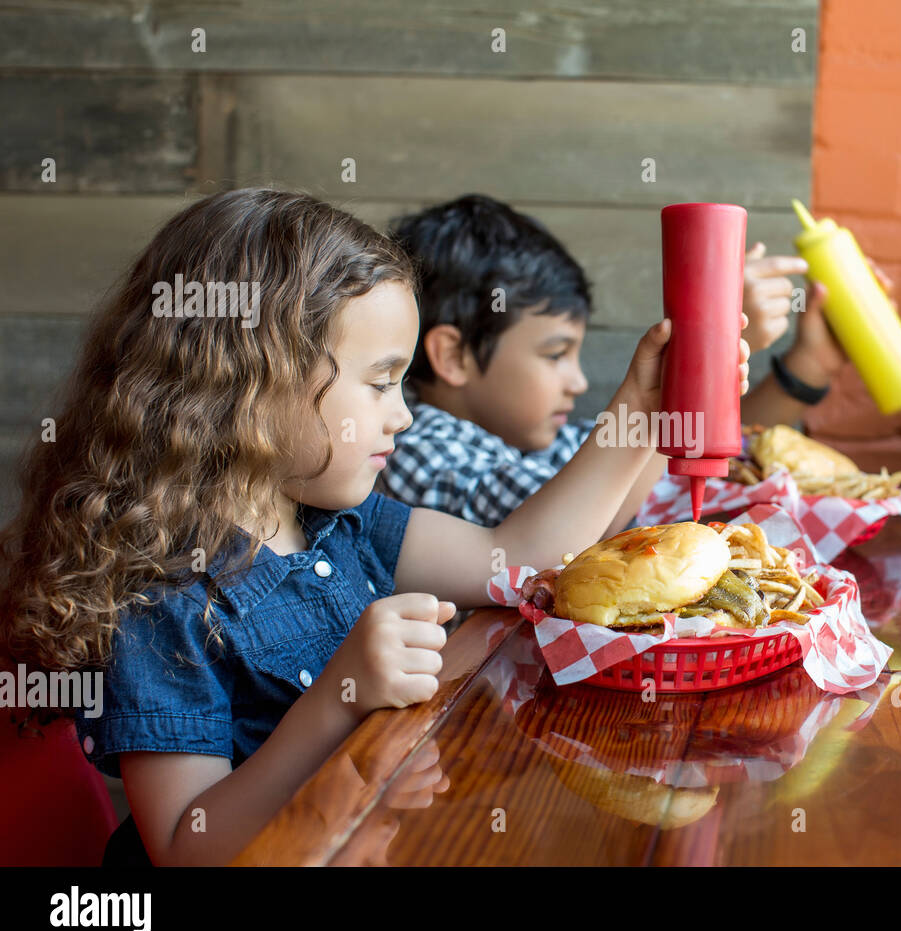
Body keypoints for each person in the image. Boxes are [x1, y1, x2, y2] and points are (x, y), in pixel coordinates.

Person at [0, 188, 748, 866]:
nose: (403, 413)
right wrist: (341, 696)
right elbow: (184, 844)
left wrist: (644, 411)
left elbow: (518, 557)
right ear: (252, 384)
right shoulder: (160, 595)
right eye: (380, 381)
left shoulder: (342, 521)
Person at [380, 195, 855, 526]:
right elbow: (575, 539)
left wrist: (802, 371)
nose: (579, 381)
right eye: (555, 354)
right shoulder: (419, 453)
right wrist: (702, 342)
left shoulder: (549, 442)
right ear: (453, 355)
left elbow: (682, 459)